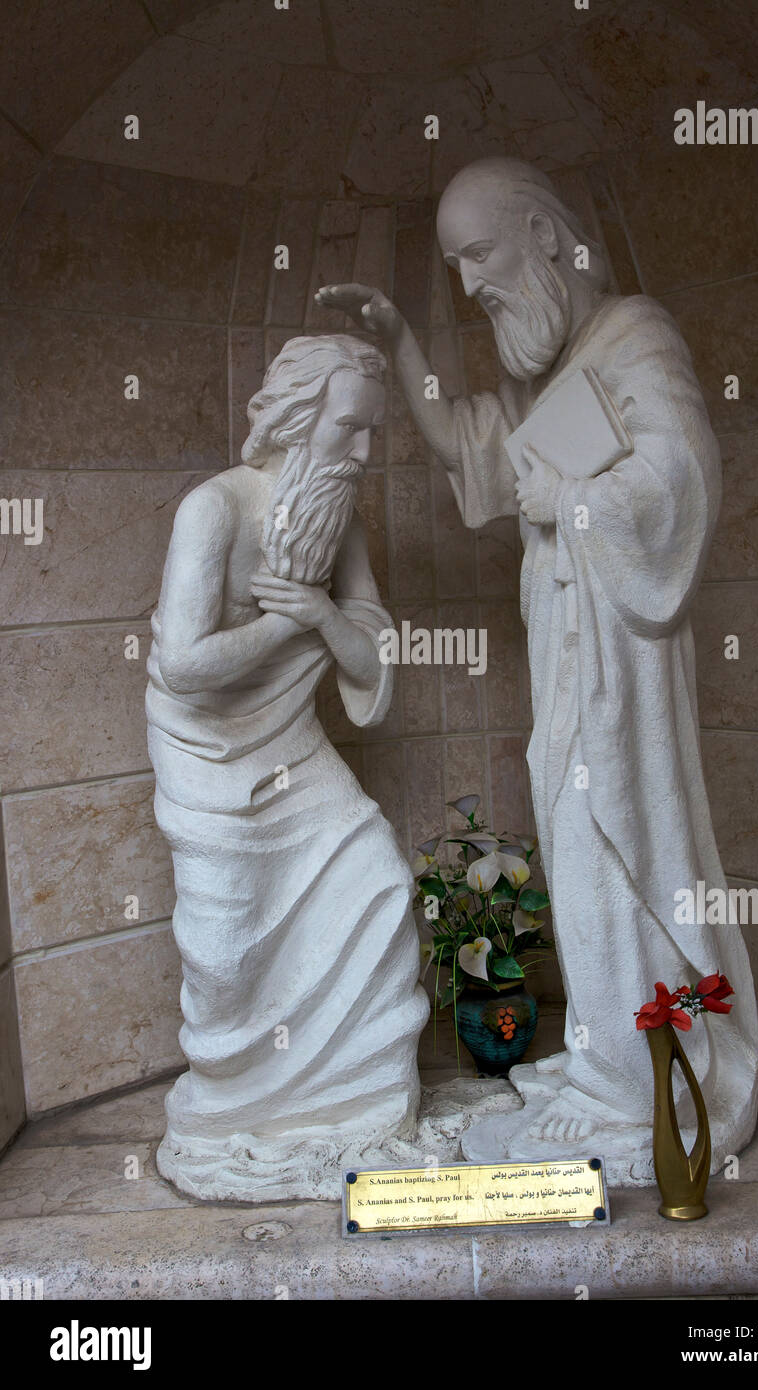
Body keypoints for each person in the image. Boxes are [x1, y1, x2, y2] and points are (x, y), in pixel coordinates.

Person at [316, 158, 758, 1178]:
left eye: (478, 255)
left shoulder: (632, 335)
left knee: (619, 842)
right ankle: (610, 1051)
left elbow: (679, 479)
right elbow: (476, 447)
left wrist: (565, 497)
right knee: (573, 837)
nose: (469, 284)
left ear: (542, 232)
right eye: (453, 266)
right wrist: (403, 341)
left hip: (627, 669)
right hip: (569, 659)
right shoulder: (551, 374)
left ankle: (651, 1068)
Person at [146, 334, 429, 1200]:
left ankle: (361, 1099)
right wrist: (291, 624)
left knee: (379, 883)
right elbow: (187, 664)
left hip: (293, 747)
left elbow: (375, 640)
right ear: (301, 418)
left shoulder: (335, 512)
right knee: (227, 957)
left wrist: (319, 613)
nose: (363, 453)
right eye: (350, 428)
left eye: (373, 432)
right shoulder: (214, 510)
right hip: (207, 757)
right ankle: (233, 1103)